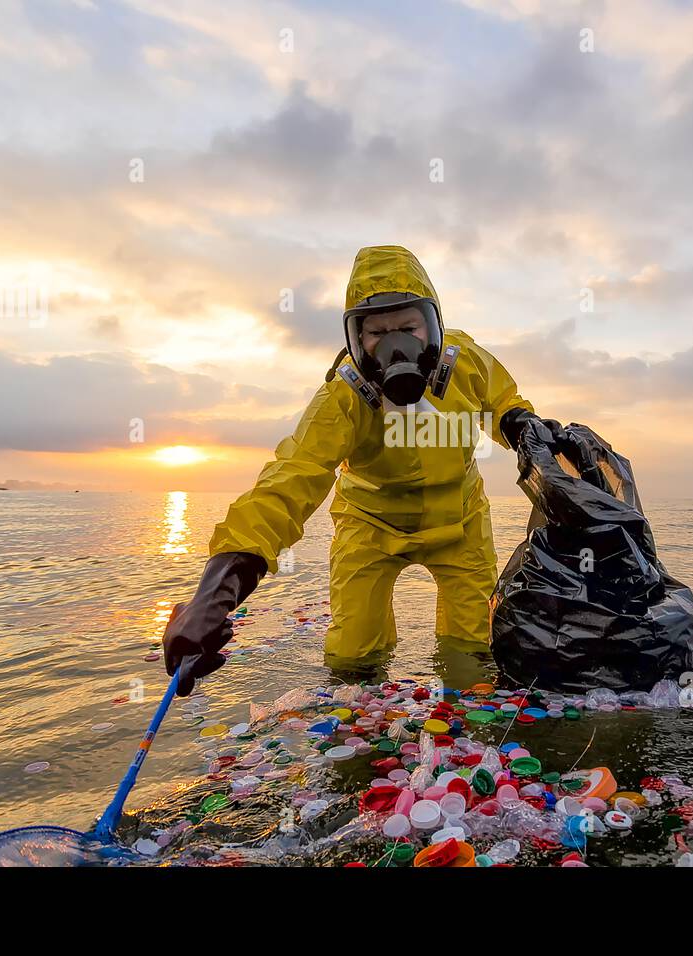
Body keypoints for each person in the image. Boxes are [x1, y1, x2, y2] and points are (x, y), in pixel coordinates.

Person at [162, 244, 563, 695]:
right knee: (353, 658)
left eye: (409, 327)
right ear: (355, 340)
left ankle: (462, 729)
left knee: (472, 649)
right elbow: (291, 479)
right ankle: (364, 739)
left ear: (433, 326)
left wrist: (524, 428)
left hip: (460, 521)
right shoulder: (343, 398)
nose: (397, 344)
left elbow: (502, 405)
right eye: (377, 332)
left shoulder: (463, 361)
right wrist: (217, 592)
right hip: (368, 525)